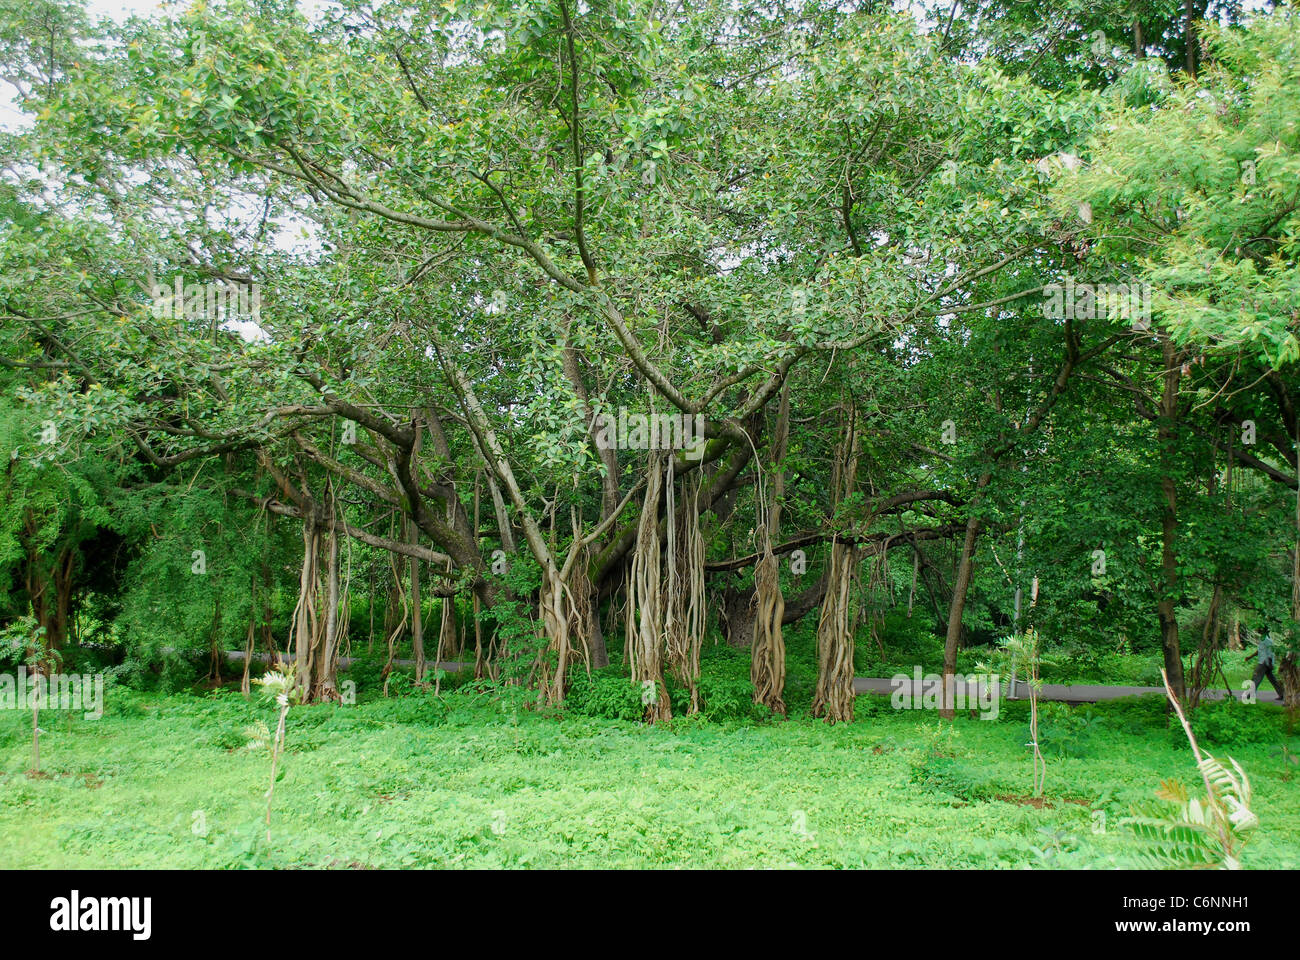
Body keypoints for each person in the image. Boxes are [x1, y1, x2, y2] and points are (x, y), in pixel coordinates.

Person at [1246, 629, 1284, 700]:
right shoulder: (1263, 639)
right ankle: (1281, 693)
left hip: (1264, 662)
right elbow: (1260, 650)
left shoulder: (1267, 640)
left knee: (1256, 677)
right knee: (1272, 679)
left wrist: (1269, 663)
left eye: (1260, 630)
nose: (1258, 631)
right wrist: (1250, 657)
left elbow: (1270, 652)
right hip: (1265, 661)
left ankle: (1251, 694)